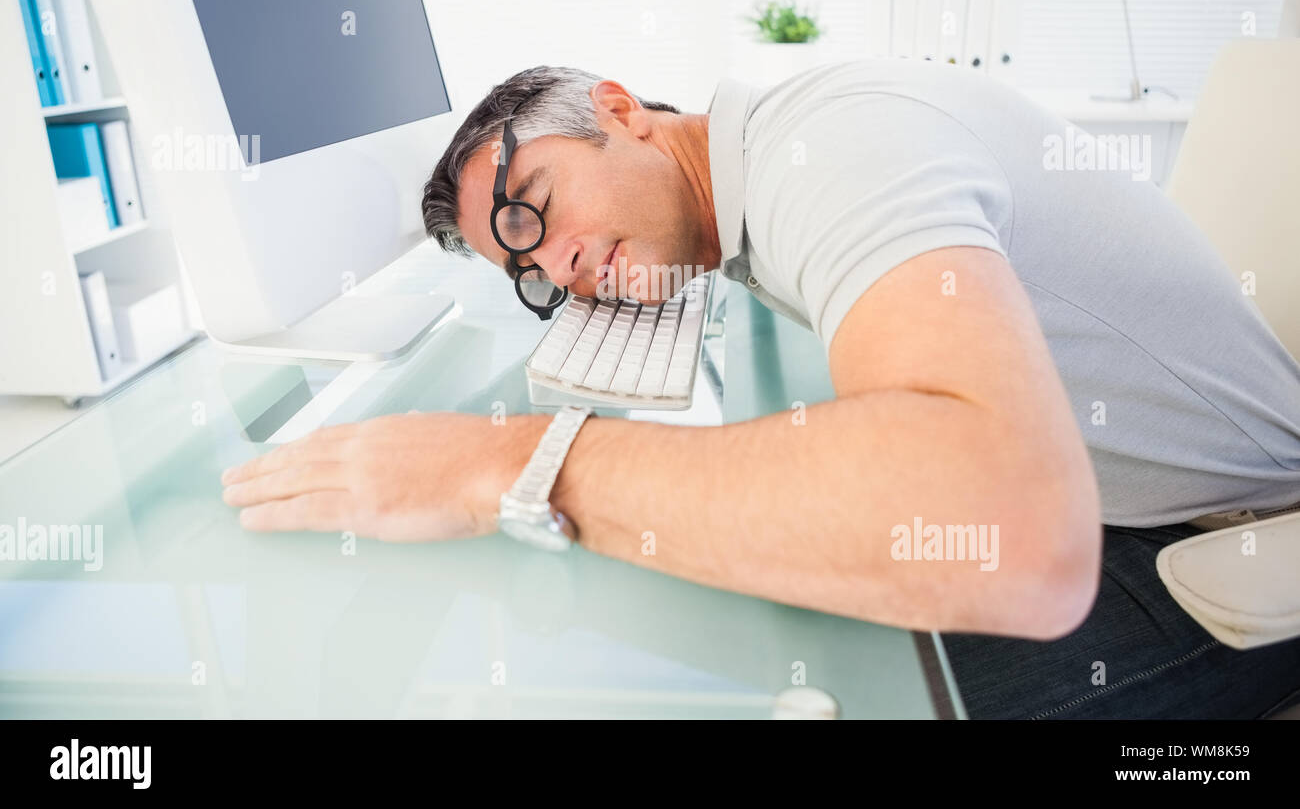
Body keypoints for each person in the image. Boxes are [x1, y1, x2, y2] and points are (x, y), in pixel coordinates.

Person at [221, 59, 1300, 718]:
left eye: (534, 206)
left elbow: (1009, 529)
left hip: (1226, 549)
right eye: (531, 274)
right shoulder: (770, 164)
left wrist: (511, 459)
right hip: (1132, 496)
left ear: (619, 107)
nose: (557, 266)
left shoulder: (828, 152)